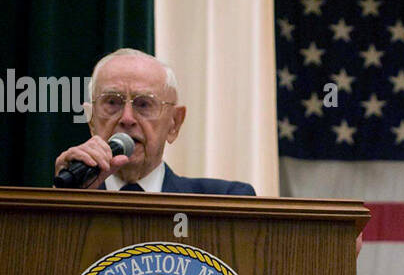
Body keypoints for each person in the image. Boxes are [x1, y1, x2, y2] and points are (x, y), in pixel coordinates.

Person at [53, 48, 255, 194]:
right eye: (112, 102)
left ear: (174, 124)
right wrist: (68, 200)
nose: (127, 118)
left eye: (144, 104)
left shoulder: (225, 201)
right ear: (91, 120)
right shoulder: (69, 194)